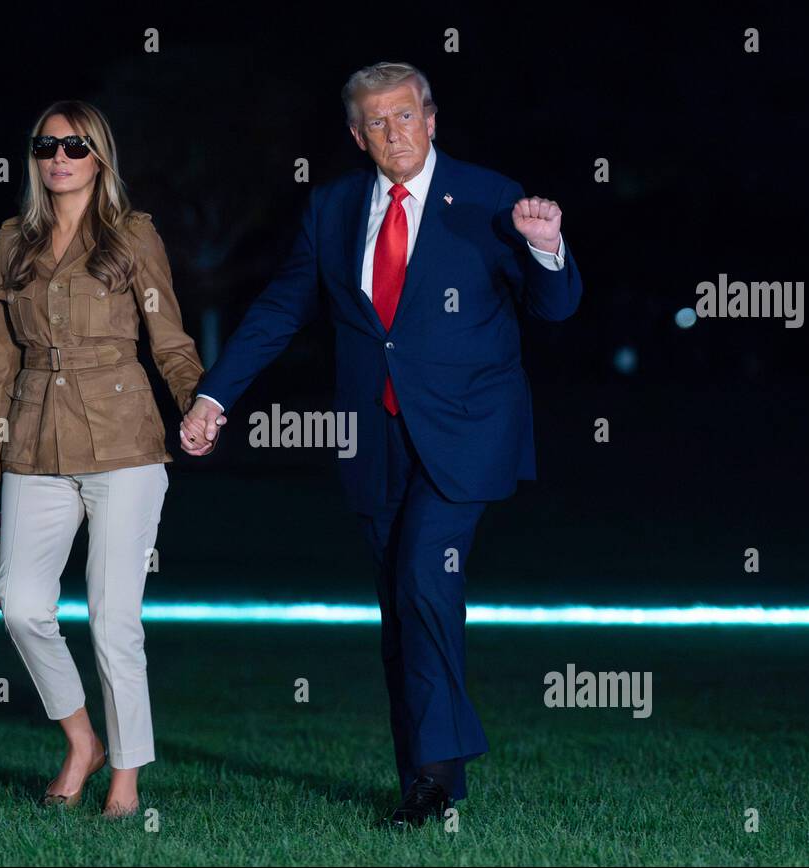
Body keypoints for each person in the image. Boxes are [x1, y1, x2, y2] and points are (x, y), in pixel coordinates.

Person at [180, 62, 583, 827]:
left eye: (406, 116)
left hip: (465, 435)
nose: (394, 132)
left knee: (425, 583)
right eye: (376, 121)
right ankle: (427, 787)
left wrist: (548, 246)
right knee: (400, 615)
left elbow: (554, 308)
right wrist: (214, 394)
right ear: (356, 135)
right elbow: (279, 310)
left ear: (432, 120)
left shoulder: (492, 199)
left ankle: (436, 777)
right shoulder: (332, 209)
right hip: (372, 439)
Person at [0, 100, 204, 817]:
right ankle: (82, 740)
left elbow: (169, 339)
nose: (59, 157)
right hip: (34, 444)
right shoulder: (12, 239)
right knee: (21, 604)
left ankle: (126, 777)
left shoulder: (133, 236)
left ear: (98, 156)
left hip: (125, 443)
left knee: (112, 619)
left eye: (74, 146)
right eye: (46, 146)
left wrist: (197, 402)